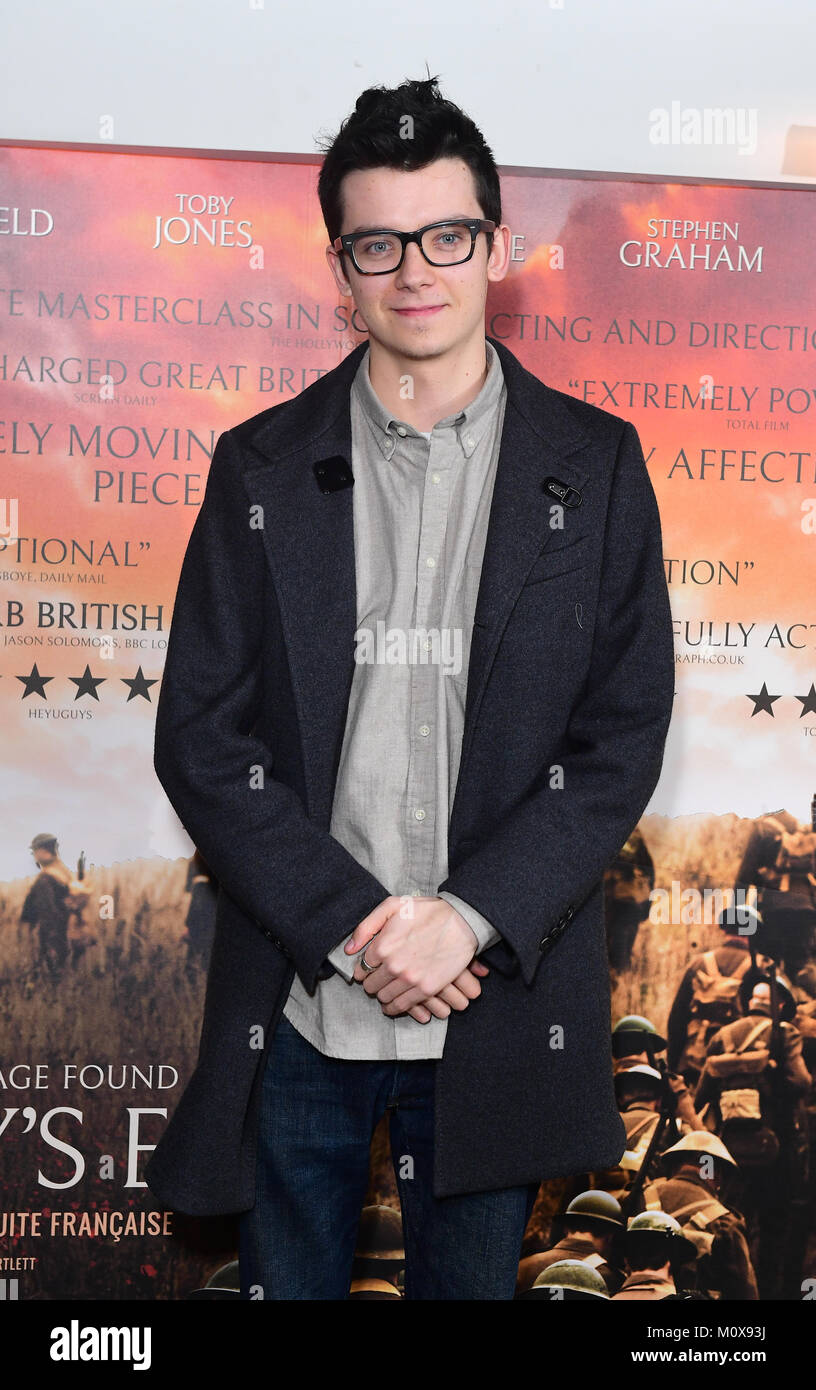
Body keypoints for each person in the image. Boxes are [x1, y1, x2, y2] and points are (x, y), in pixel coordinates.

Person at [145, 75, 675, 1300]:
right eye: (377, 243)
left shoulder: (593, 468)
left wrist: (467, 917)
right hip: (302, 1005)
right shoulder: (258, 467)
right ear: (341, 263)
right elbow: (203, 738)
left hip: (494, 1006)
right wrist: (358, 925)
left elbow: (619, 735)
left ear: (495, 243)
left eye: (445, 235)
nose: (414, 271)